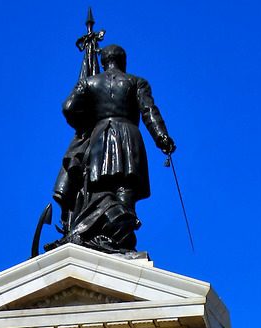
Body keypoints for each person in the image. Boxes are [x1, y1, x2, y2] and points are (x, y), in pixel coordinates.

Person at [53, 43, 175, 252]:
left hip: (100, 138)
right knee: (125, 188)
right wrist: (162, 137)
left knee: (100, 188)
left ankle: (112, 236)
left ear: (103, 62)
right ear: (123, 62)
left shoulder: (89, 82)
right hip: (129, 137)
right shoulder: (136, 82)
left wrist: (83, 123)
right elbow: (149, 111)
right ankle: (123, 241)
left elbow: (68, 106)